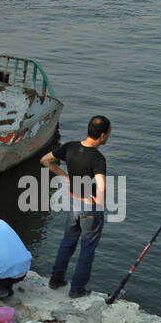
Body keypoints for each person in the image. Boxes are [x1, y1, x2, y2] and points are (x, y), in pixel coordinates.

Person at [42, 115, 111, 298]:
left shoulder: (70, 146)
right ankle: (77, 289)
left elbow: (45, 160)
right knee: (87, 248)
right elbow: (101, 186)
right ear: (103, 135)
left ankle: (56, 279)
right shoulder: (98, 158)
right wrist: (100, 205)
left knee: (68, 241)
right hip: (89, 207)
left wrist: (64, 175)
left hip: (72, 203)